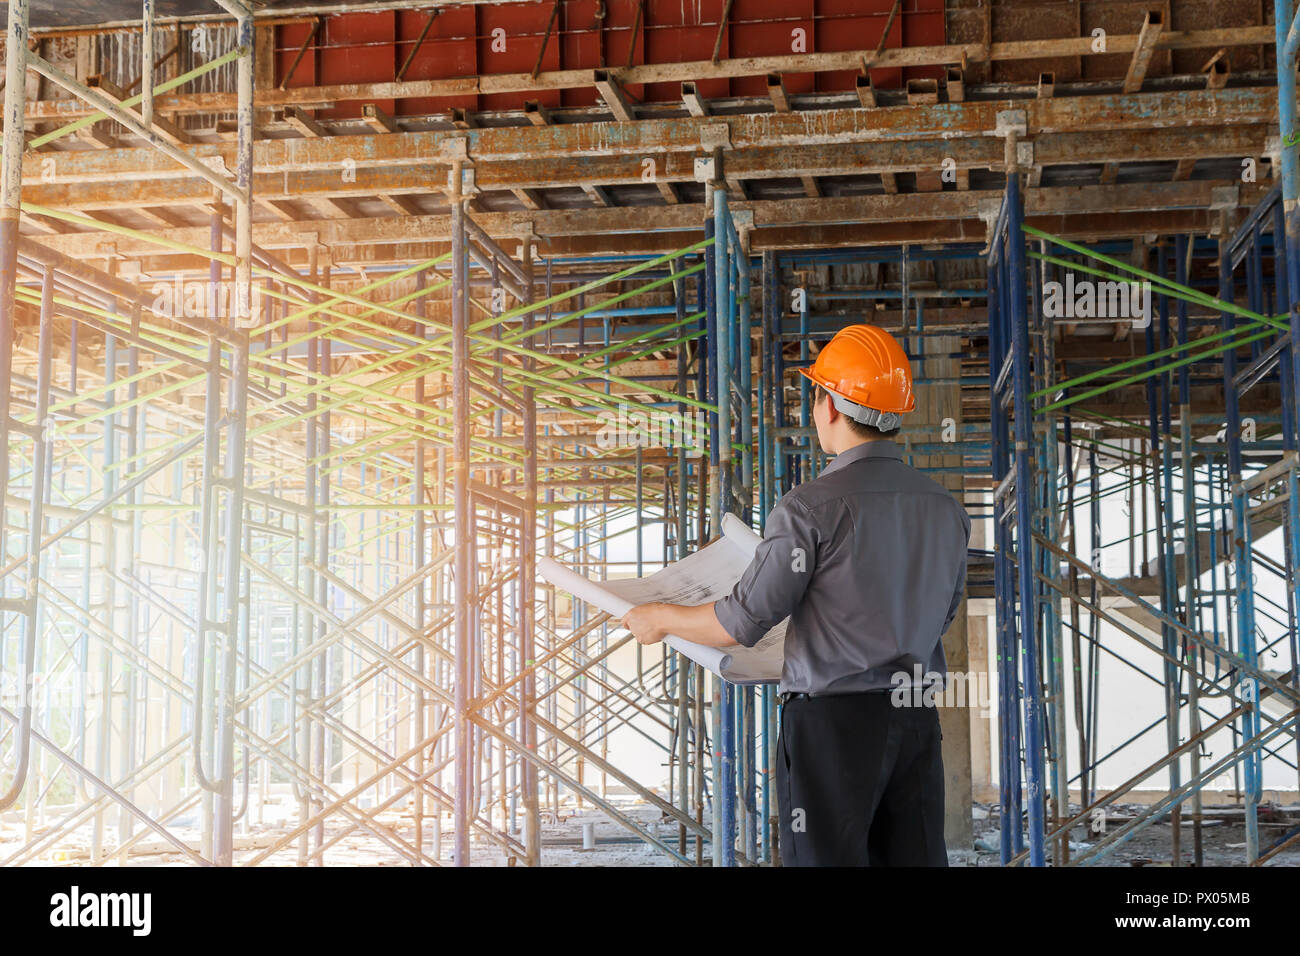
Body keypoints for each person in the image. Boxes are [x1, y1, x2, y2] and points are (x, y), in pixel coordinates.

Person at [621, 323, 970, 866]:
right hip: (916, 718)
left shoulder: (812, 506)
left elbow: (740, 623)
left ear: (828, 404)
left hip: (833, 729)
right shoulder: (945, 509)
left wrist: (660, 617)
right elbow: (943, 612)